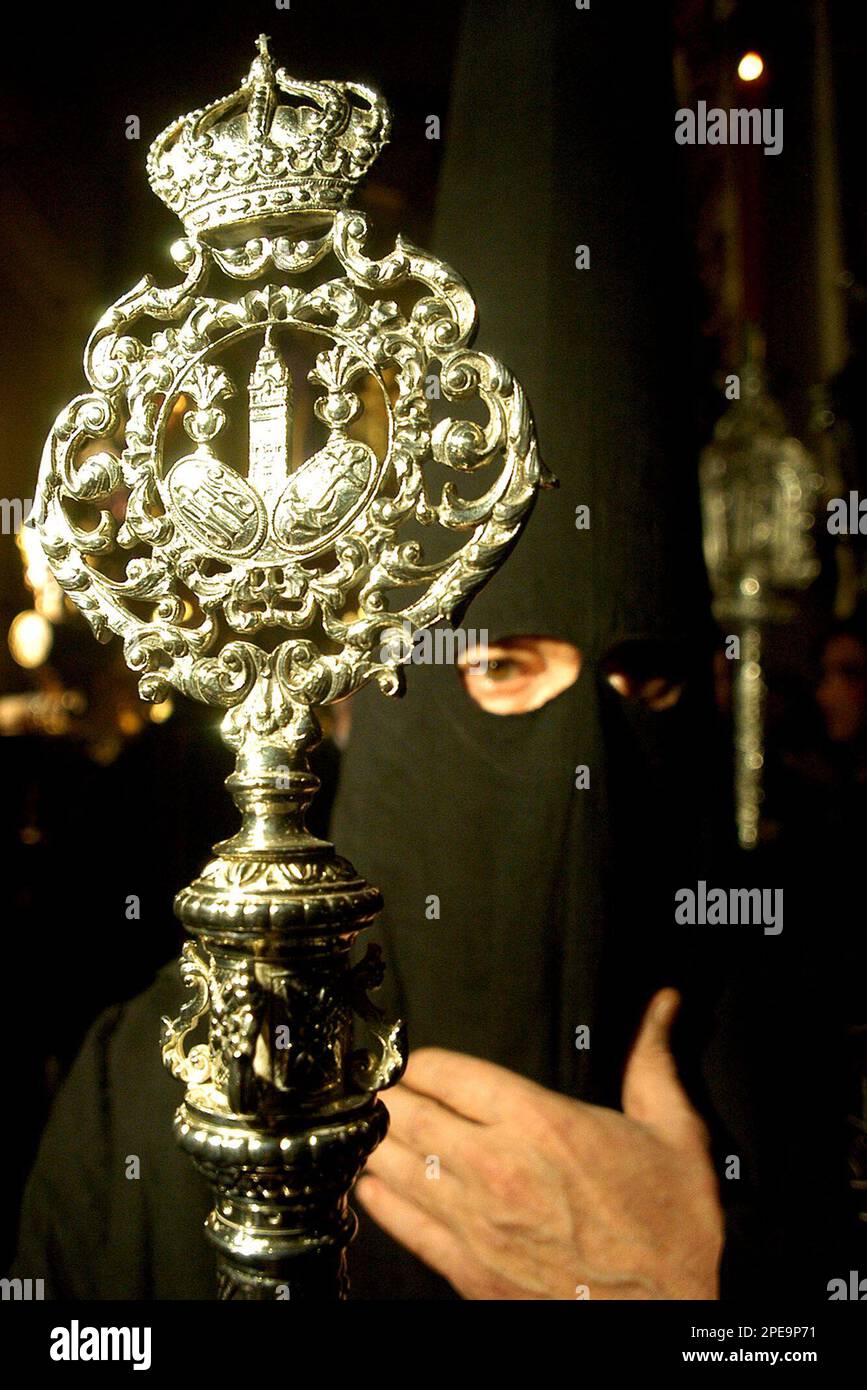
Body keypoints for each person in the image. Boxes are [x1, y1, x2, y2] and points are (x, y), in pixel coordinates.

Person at [10, 1, 859, 1299]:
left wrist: (702, 1296)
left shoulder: (817, 1087)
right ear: (395, 683)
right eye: (502, 665)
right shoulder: (161, 1086)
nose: (583, 760)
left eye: (644, 682)